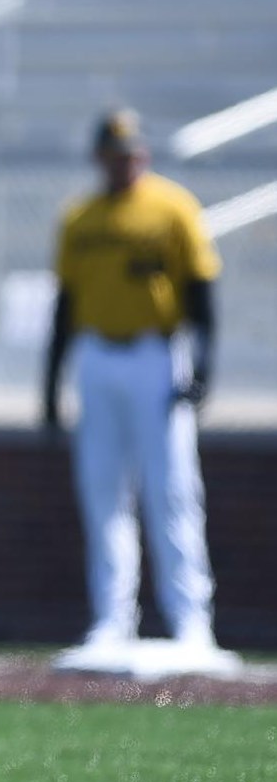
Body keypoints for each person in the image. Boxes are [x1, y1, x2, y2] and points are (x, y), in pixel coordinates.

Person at [41, 107, 240, 678]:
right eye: (113, 154)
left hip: (157, 354)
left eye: (130, 153)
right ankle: (111, 621)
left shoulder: (173, 206)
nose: (123, 164)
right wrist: (51, 387)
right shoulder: (80, 217)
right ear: (100, 157)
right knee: (103, 492)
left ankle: (192, 622)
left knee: (172, 488)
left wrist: (202, 368)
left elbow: (201, 289)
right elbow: (66, 304)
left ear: (142, 155)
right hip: (98, 356)